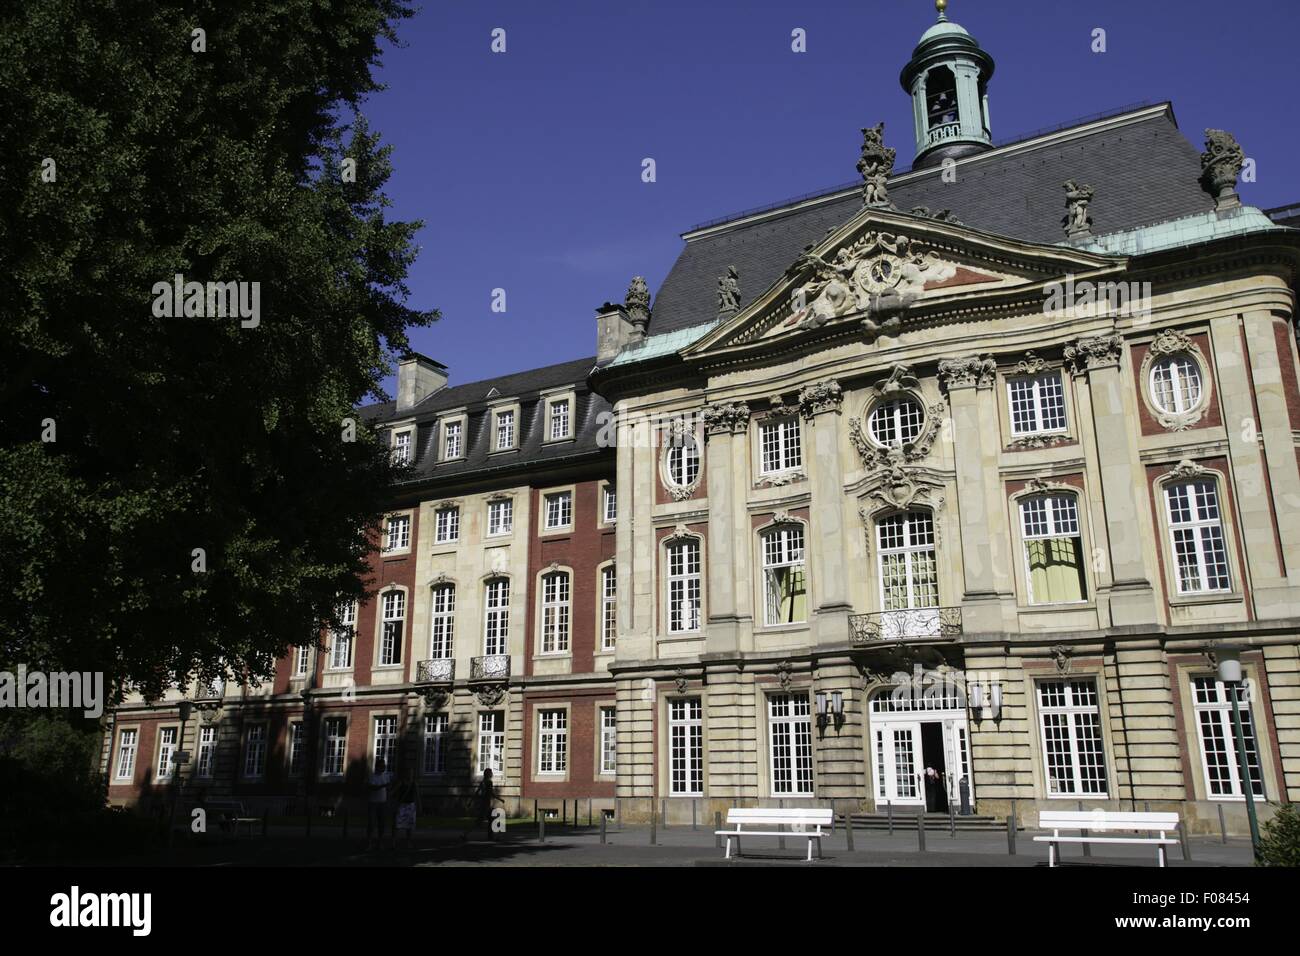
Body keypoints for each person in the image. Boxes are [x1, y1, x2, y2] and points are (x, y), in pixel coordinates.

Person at [366, 757, 393, 850]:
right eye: (382, 766)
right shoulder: (372, 776)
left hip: (383, 803)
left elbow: (388, 790)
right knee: (371, 824)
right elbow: (372, 788)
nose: (384, 767)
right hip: (373, 803)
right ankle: (369, 842)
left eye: (384, 766)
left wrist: (388, 800)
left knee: (382, 824)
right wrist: (383, 785)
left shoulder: (386, 776)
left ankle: (380, 842)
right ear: (377, 767)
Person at [394, 768, 419, 848]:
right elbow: (394, 791)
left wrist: (419, 805)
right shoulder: (402, 782)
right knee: (397, 824)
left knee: (409, 826)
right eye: (408, 773)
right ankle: (394, 842)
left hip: (410, 805)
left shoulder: (414, 783)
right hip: (402, 805)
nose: (410, 775)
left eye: (411, 773)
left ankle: (408, 842)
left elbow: (417, 795)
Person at [474, 768, 497, 839]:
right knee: (479, 821)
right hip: (486, 804)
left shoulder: (483, 782)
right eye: (491, 772)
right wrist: (500, 799)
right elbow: (491, 793)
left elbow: (477, 792)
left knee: (490, 819)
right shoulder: (489, 782)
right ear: (488, 774)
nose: (492, 773)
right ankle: (465, 834)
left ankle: (490, 836)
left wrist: (470, 801)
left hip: (483, 803)